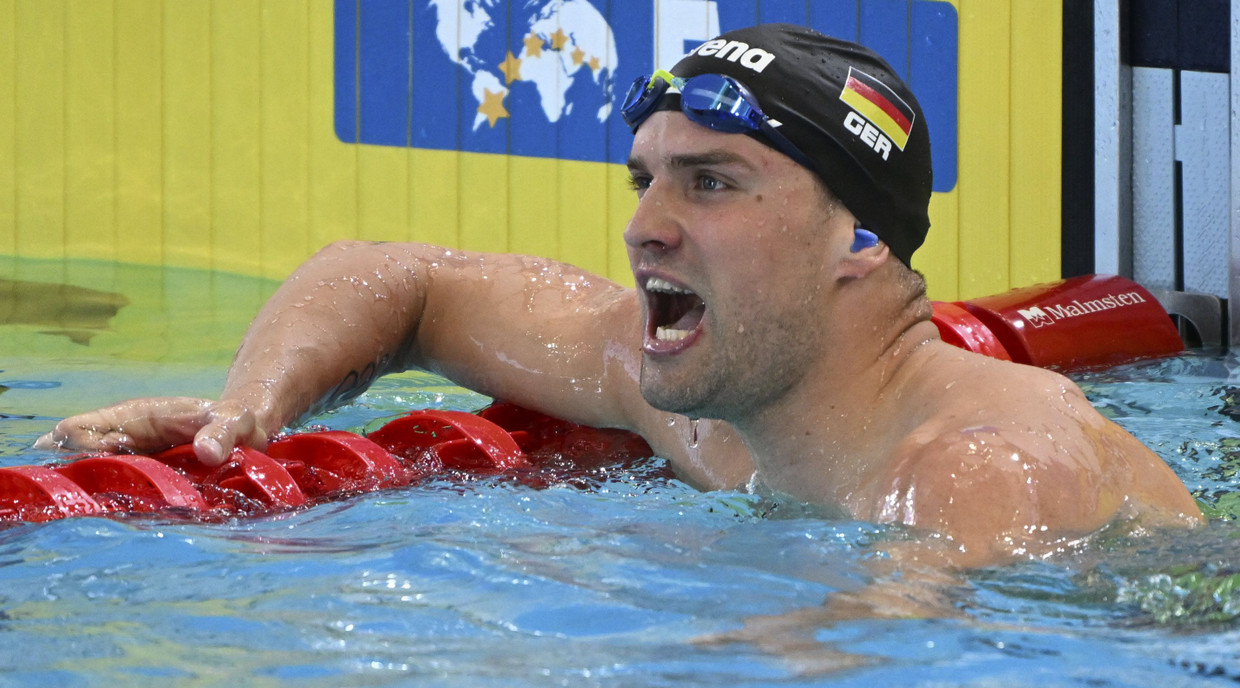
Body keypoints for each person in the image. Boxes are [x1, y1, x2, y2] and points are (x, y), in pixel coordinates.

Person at [36, 24, 1201, 567]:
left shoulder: (971, 475)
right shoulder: (693, 397)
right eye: (646, 179)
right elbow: (395, 276)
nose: (645, 224)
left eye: (711, 183)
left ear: (857, 238)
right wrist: (247, 415)